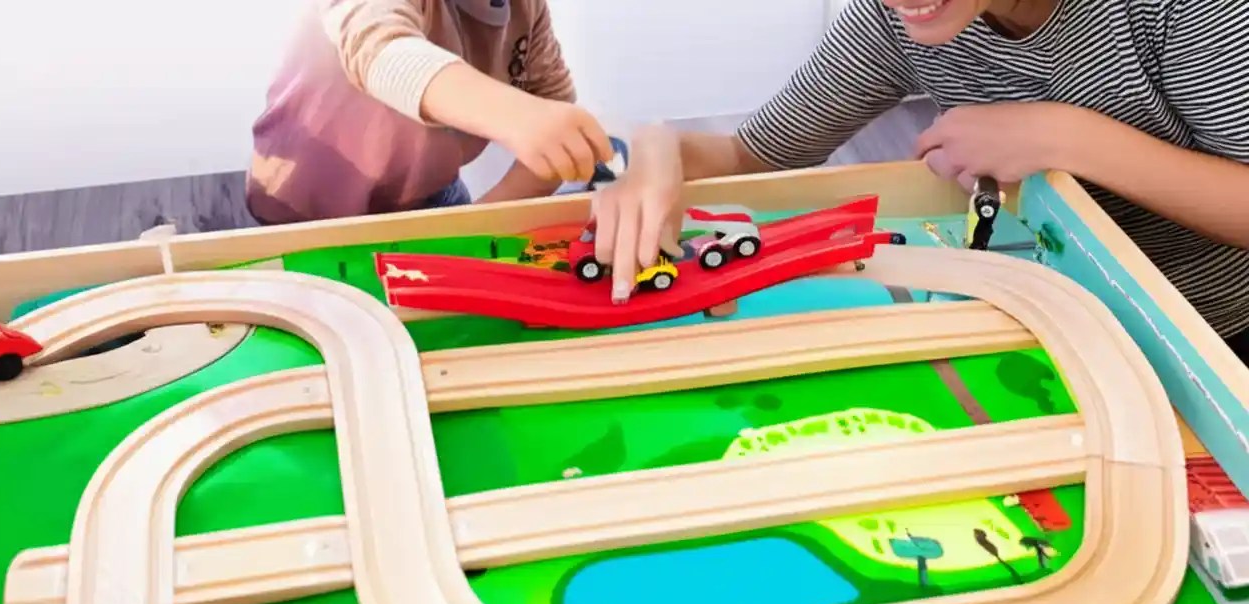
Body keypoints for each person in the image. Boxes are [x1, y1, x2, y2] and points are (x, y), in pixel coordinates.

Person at [591, 0, 1249, 364]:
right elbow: (751, 151)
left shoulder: (1183, 13)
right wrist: (655, 147)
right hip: (1053, 343)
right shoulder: (894, 18)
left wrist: (1065, 137)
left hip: (1210, 345)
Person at [246, 0, 613, 224]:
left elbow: (557, 123)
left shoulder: (527, 9)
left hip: (427, 195)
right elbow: (381, 51)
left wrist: (479, 221)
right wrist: (514, 113)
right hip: (307, 202)